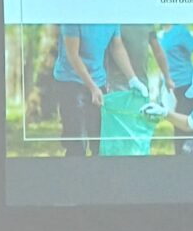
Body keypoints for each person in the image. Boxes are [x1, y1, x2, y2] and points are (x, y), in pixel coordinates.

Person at [50, 22, 132, 158]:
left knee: (100, 142)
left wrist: (133, 79)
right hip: (70, 80)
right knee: (77, 143)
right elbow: (73, 55)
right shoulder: (73, 18)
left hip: (98, 81)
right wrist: (92, 87)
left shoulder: (111, 17)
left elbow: (117, 46)